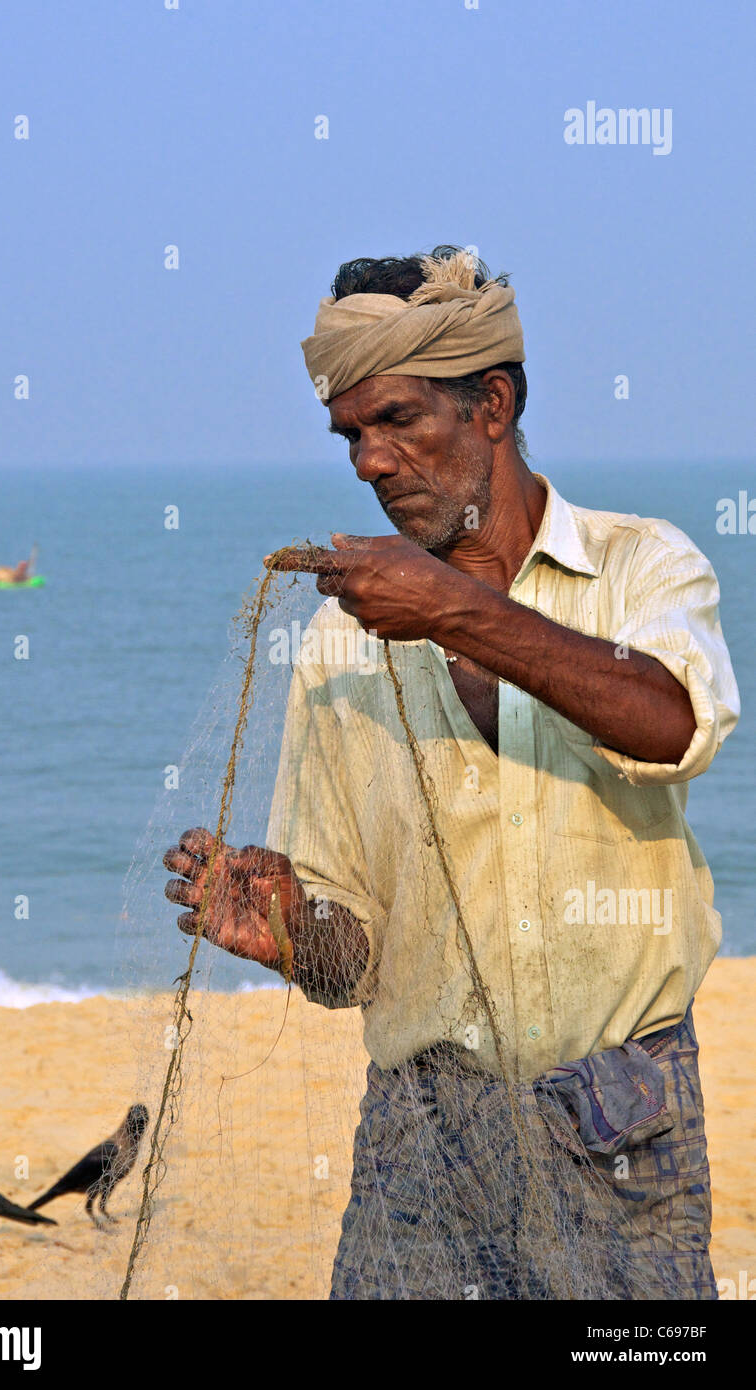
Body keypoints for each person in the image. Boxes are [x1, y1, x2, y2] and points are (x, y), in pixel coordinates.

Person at [163, 246, 739, 1299]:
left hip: (616, 1118)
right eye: (350, 437)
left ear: (492, 403)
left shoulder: (639, 566)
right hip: (419, 1142)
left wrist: (449, 607)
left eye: (397, 422)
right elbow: (352, 966)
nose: (370, 464)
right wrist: (291, 929)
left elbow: (669, 721)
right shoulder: (339, 649)